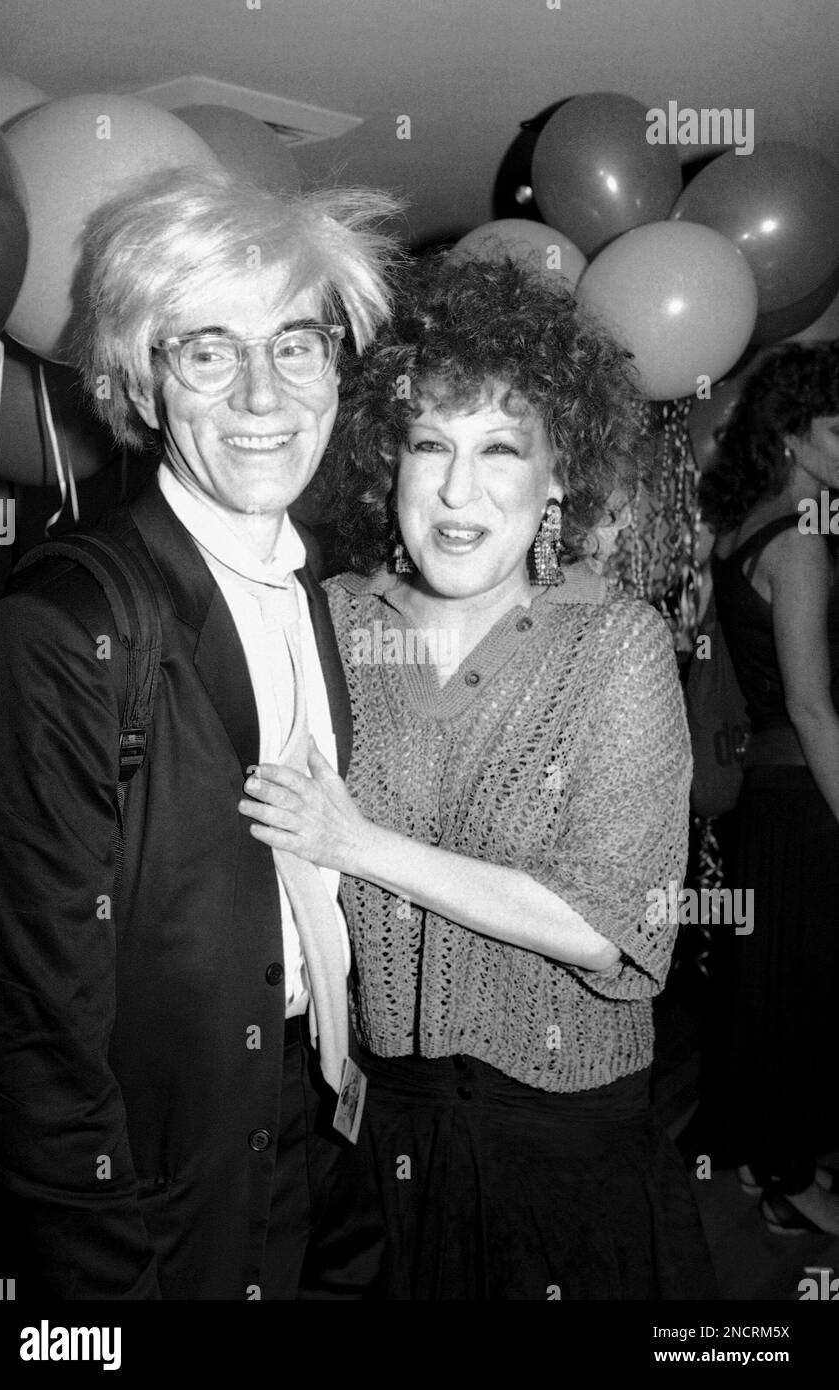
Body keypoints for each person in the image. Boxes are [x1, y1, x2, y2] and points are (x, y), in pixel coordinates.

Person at [238, 254, 717, 1300]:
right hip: (373, 1139)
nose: (458, 491)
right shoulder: (326, 622)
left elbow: (611, 921)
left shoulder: (612, 644)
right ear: (385, 461)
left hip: (561, 1147)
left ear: (556, 477)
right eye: (429, 445)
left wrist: (356, 844)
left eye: (500, 448)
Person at [0, 164, 399, 1299]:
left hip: (313, 1148)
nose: (263, 395)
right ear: (142, 388)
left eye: (294, 345)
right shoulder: (63, 627)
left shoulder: (316, 597)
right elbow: (31, 1030)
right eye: (209, 349)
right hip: (161, 1210)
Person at [699, 342, 839, 1236]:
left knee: (781, 987)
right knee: (802, 993)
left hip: (773, 793)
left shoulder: (743, 524)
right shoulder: (795, 542)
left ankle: (771, 1165)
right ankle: (788, 1177)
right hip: (807, 794)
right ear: (792, 436)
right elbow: (811, 703)